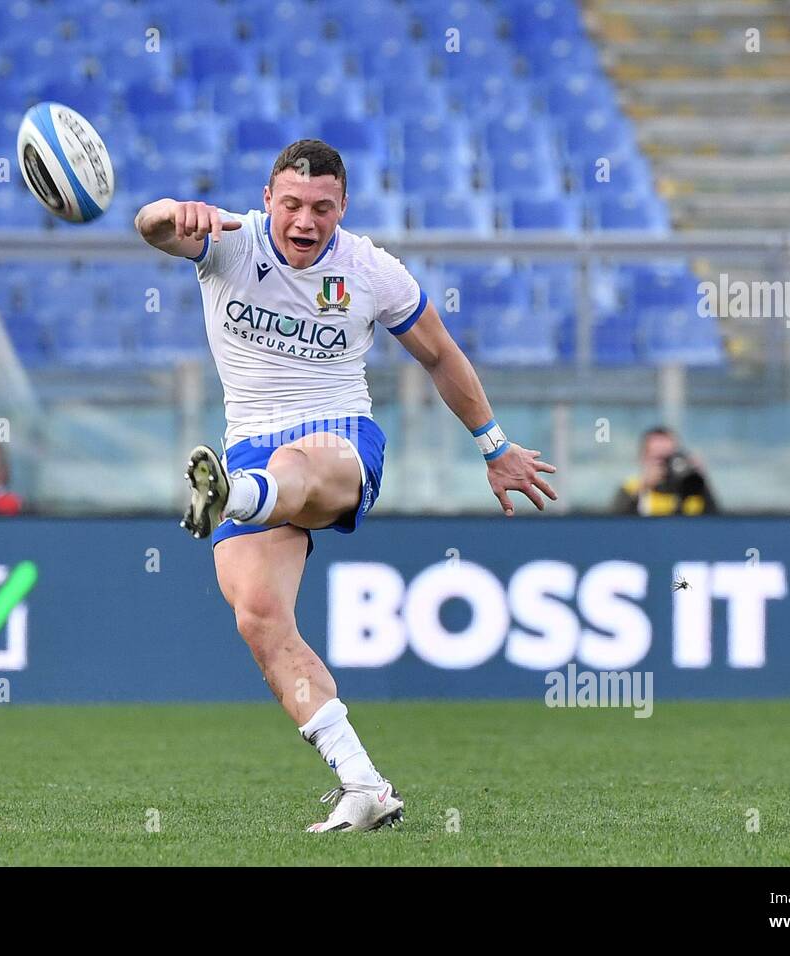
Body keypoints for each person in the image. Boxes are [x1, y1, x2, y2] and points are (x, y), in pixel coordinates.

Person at [135, 139, 557, 832]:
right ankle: (363, 785)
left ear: (343, 208)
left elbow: (440, 353)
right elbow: (149, 229)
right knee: (260, 620)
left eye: (322, 208)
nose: (306, 221)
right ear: (268, 199)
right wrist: (169, 211)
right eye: (293, 204)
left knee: (295, 469)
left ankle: (232, 500)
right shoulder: (230, 245)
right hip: (247, 448)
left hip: (337, 440)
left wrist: (495, 446)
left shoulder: (369, 270)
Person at [611, 426, 718, 515]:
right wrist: (643, 488)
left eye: (670, 458)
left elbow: (717, 522)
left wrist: (700, 480)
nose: (666, 465)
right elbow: (615, 524)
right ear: (643, 458)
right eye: (659, 458)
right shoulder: (631, 488)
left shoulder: (692, 489)